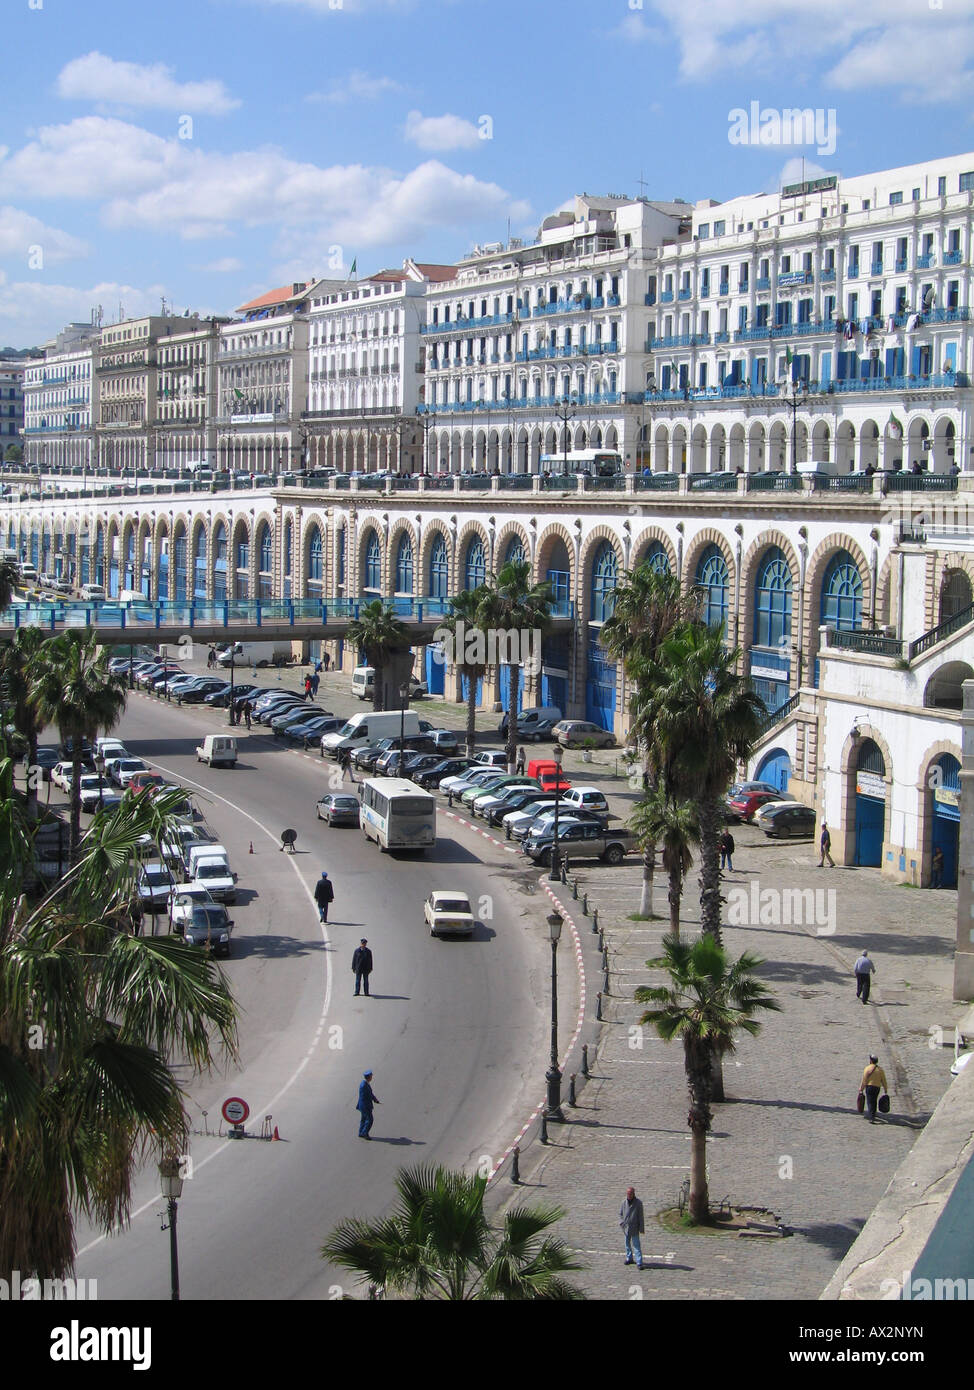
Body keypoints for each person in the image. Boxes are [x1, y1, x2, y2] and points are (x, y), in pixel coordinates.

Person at [619, 1187, 645, 1268]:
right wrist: (621, 1222)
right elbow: (620, 1214)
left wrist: (641, 1228)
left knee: (636, 1245)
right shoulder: (624, 1202)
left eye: (630, 1194)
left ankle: (639, 1262)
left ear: (633, 1194)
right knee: (627, 1245)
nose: (629, 1195)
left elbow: (641, 1216)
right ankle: (629, 1258)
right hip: (626, 1228)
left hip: (634, 1228)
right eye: (628, 1194)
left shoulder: (638, 1203)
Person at [859, 1054, 888, 1124]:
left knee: (870, 1102)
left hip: (869, 1087)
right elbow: (883, 1080)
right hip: (877, 1087)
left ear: (871, 1061)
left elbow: (864, 1080)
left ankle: (871, 1117)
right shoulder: (880, 1070)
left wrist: (861, 1089)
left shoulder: (867, 1068)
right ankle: (873, 1113)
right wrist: (885, 1089)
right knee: (874, 1101)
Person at [356, 1070, 379, 1139]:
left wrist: (375, 1100)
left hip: (363, 1106)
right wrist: (373, 1101)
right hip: (365, 1106)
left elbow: (370, 1094)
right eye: (371, 1076)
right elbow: (368, 1095)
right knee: (370, 1120)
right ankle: (365, 1133)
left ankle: (361, 1132)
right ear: (369, 1077)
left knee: (363, 1119)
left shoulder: (364, 1083)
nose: (372, 1077)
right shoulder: (364, 1086)